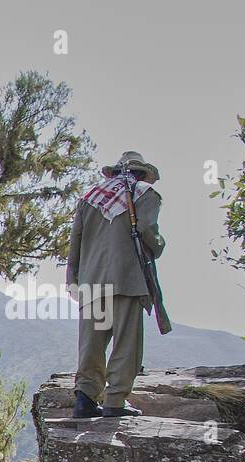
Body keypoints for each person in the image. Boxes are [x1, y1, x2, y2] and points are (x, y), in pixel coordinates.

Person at [66, 151, 166, 418]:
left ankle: (85, 399)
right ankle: (114, 402)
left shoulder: (89, 199)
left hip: (91, 283)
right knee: (126, 342)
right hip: (126, 279)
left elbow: (75, 242)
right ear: (142, 173)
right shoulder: (144, 193)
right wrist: (159, 246)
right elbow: (147, 231)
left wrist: (72, 280)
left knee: (92, 342)